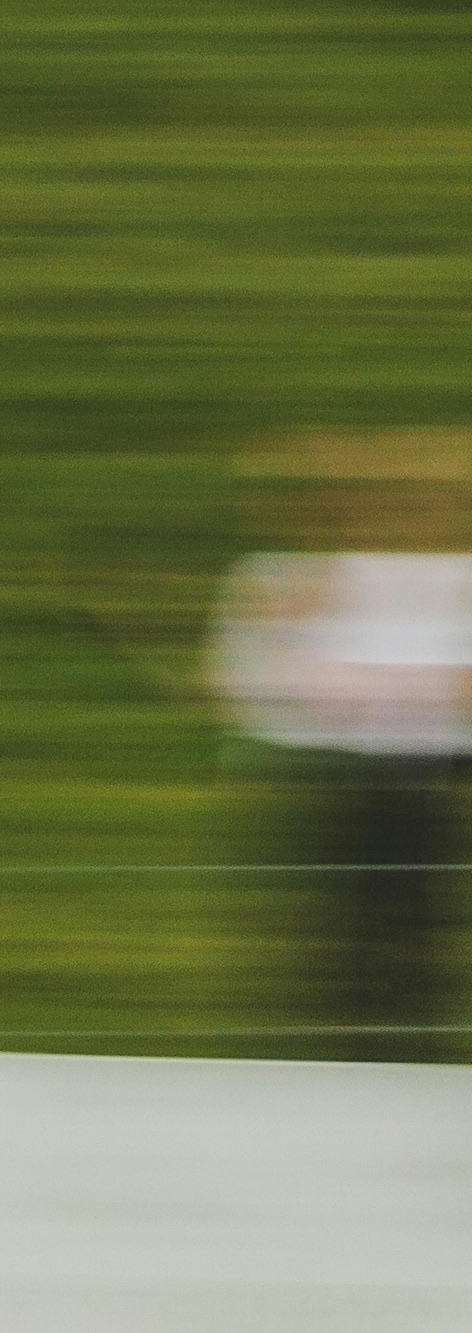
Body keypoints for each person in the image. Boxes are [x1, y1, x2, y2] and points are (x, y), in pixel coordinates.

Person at [209, 435, 471, 1059]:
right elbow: (258, 681)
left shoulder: (433, 578)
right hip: (343, 779)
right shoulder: (291, 579)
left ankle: (396, 1051)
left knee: (411, 931)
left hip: (434, 776)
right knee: (353, 936)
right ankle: (364, 1052)